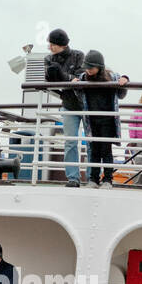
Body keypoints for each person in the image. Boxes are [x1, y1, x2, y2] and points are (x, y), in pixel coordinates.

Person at [72, 50, 129, 186]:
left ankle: (108, 179)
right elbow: (78, 94)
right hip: (91, 121)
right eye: (87, 67)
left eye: (91, 67)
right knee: (94, 150)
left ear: (99, 67)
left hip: (108, 120)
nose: (88, 70)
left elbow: (121, 93)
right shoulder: (83, 78)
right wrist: (74, 82)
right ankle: (93, 179)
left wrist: (125, 79)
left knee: (106, 150)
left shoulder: (112, 77)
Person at [44, 28, 88, 187]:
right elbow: (49, 82)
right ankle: (73, 178)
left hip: (86, 104)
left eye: (52, 44)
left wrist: (65, 78)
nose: (50, 47)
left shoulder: (78, 55)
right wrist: (68, 81)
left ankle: (91, 178)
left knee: (90, 141)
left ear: (61, 44)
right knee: (70, 142)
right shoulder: (49, 59)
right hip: (68, 104)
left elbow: (82, 76)